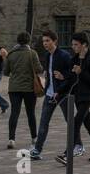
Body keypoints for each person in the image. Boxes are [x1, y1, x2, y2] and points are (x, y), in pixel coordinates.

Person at [57, 32, 90, 164]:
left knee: (75, 123)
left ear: (84, 45)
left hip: (88, 96)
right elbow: (71, 79)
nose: (73, 47)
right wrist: (60, 88)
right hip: (77, 96)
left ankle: (68, 154)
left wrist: (81, 72)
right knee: (89, 124)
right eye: (72, 44)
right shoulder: (74, 59)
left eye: (76, 44)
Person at [30, 30, 79, 160]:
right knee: (43, 123)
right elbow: (50, 71)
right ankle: (37, 150)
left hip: (62, 94)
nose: (45, 43)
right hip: (50, 94)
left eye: (47, 41)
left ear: (54, 41)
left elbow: (74, 74)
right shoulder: (47, 56)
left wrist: (63, 77)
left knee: (70, 121)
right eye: (43, 41)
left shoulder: (64, 55)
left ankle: (78, 145)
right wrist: (47, 74)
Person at [3, 31, 43, 150]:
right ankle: (34, 137)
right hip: (29, 88)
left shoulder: (11, 54)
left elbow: (6, 72)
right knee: (30, 113)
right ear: (28, 41)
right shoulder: (32, 53)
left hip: (14, 88)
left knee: (14, 112)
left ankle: (11, 139)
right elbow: (39, 69)